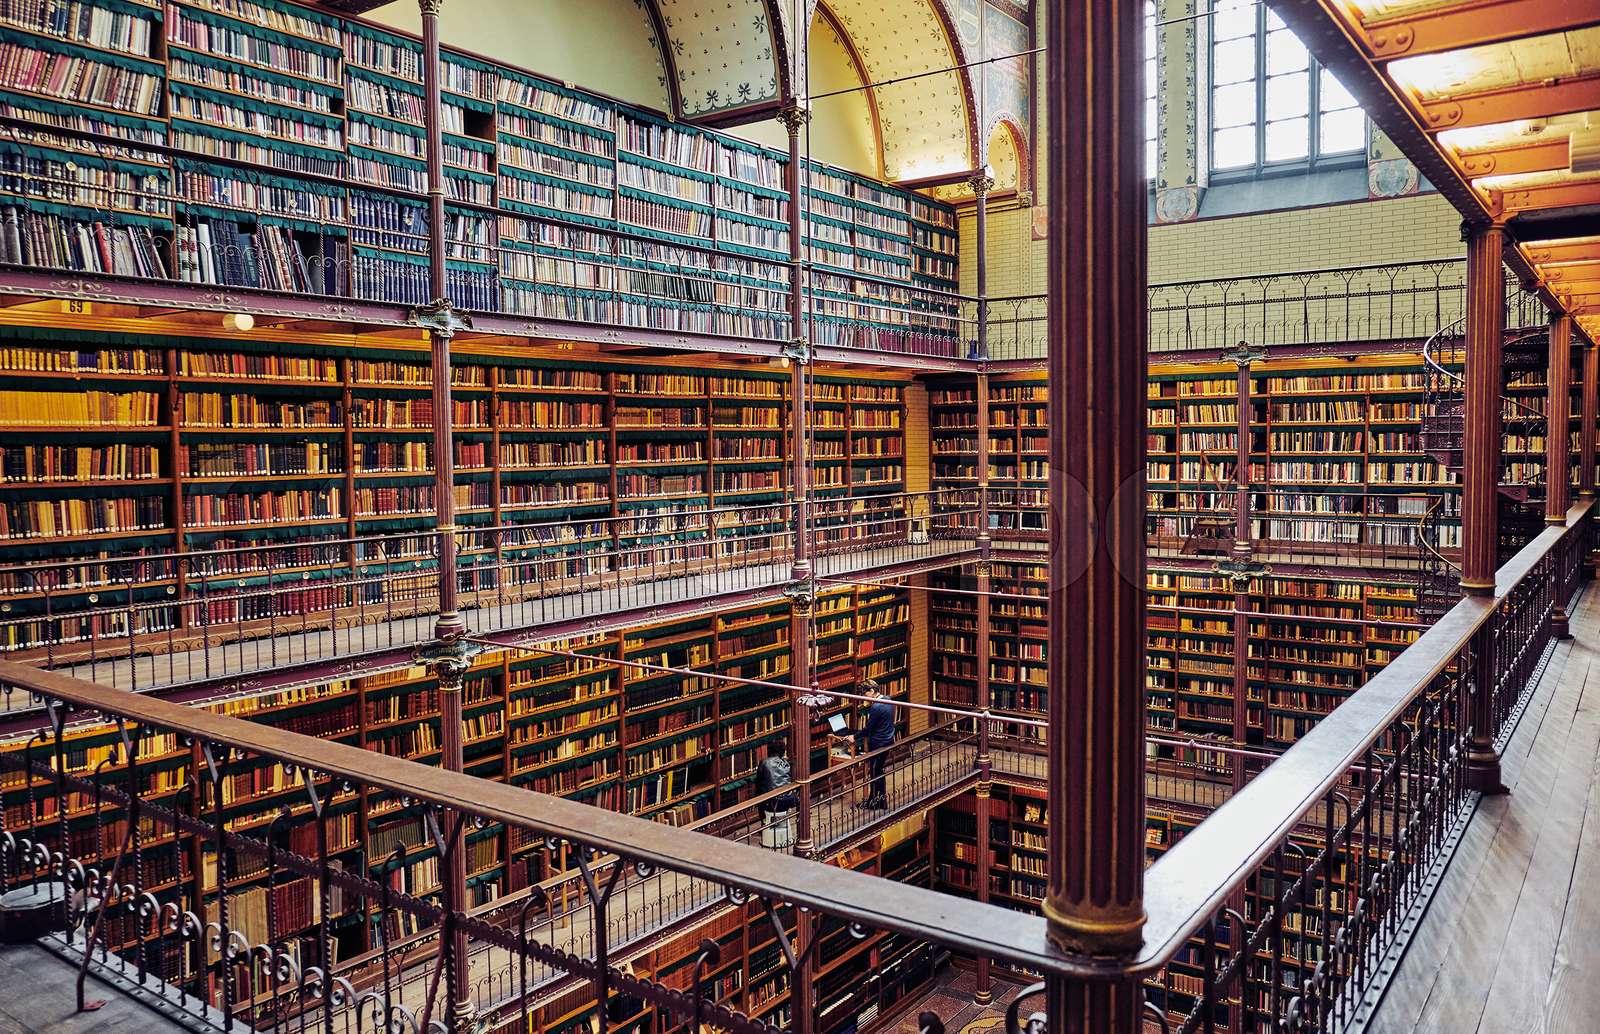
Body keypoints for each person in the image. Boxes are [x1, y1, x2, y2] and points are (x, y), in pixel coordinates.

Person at [852, 679, 896, 810]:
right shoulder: (889, 699)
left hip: (878, 744)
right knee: (878, 771)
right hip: (888, 740)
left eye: (865, 694)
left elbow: (868, 729)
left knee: (876, 772)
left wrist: (853, 736)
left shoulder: (876, 707)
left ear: (872, 691)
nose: (864, 698)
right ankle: (877, 800)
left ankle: (878, 802)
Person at [753, 740, 797, 847]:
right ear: (782, 751)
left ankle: (764, 824)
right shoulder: (786, 764)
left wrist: (757, 797)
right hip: (788, 801)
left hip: (772, 803)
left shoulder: (764, 763)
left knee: (760, 796)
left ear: (769, 750)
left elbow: (759, 783)